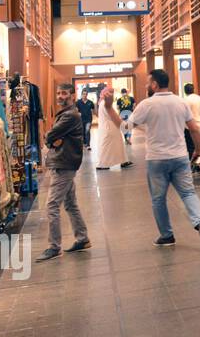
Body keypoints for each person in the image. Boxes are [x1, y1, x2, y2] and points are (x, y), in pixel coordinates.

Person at [129, 69, 200, 249]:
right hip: (180, 157)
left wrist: (107, 108)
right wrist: (199, 150)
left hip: (157, 159)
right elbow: (193, 128)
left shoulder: (147, 104)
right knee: (188, 193)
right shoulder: (180, 102)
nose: (146, 85)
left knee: (158, 199)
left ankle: (167, 235)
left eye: (147, 82)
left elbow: (125, 126)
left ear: (154, 84)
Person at [37, 83, 91, 262]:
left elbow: (50, 135)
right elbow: (53, 138)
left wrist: (52, 140)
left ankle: (54, 247)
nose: (60, 96)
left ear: (72, 95)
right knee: (70, 204)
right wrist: (53, 140)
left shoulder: (70, 115)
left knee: (52, 205)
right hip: (64, 163)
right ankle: (82, 239)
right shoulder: (66, 114)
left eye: (64, 93)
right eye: (58, 93)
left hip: (63, 165)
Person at [94, 86, 130, 170]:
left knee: (117, 145)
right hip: (109, 128)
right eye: (110, 92)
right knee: (107, 147)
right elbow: (112, 116)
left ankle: (123, 161)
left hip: (110, 128)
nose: (111, 94)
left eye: (112, 92)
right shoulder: (104, 103)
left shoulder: (103, 103)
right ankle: (103, 164)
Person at [183, 82, 200, 167]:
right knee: (198, 146)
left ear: (185, 91)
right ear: (194, 90)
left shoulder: (185, 100)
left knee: (190, 147)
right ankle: (197, 164)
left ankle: (193, 165)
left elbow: (184, 115)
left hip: (189, 127)